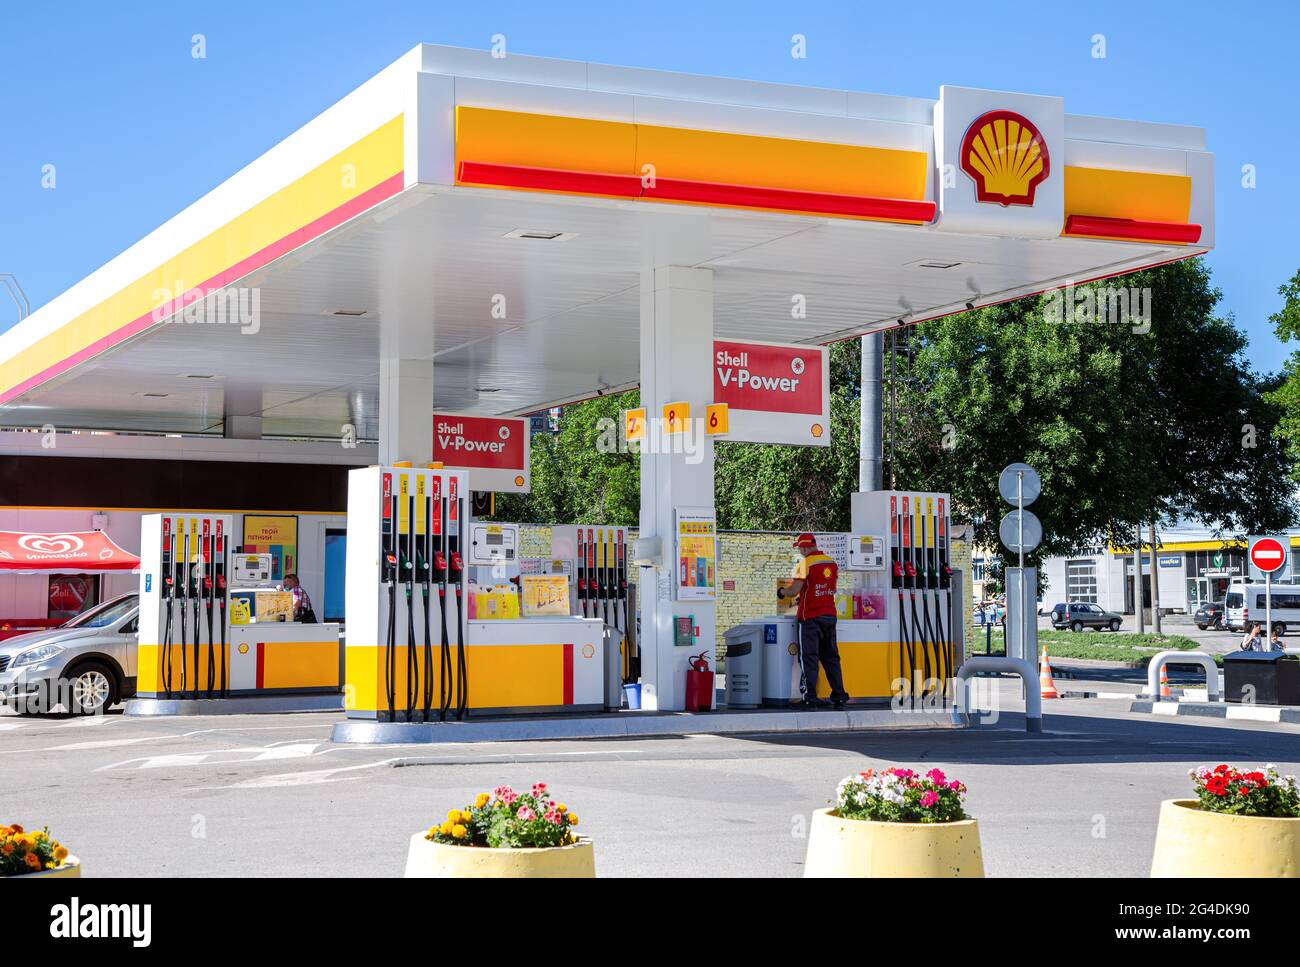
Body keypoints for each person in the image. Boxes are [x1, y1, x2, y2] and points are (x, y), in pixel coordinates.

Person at [776, 533, 849, 710]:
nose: (800, 551)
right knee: (831, 658)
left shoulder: (804, 564)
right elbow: (826, 588)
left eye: (800, 548)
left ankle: (810, 698)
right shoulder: (831, 563)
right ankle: (839, 696)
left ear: (806, 547)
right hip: (829, 616)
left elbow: (794, 591)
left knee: (809, 658)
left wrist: (782, 592)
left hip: (810, 618)